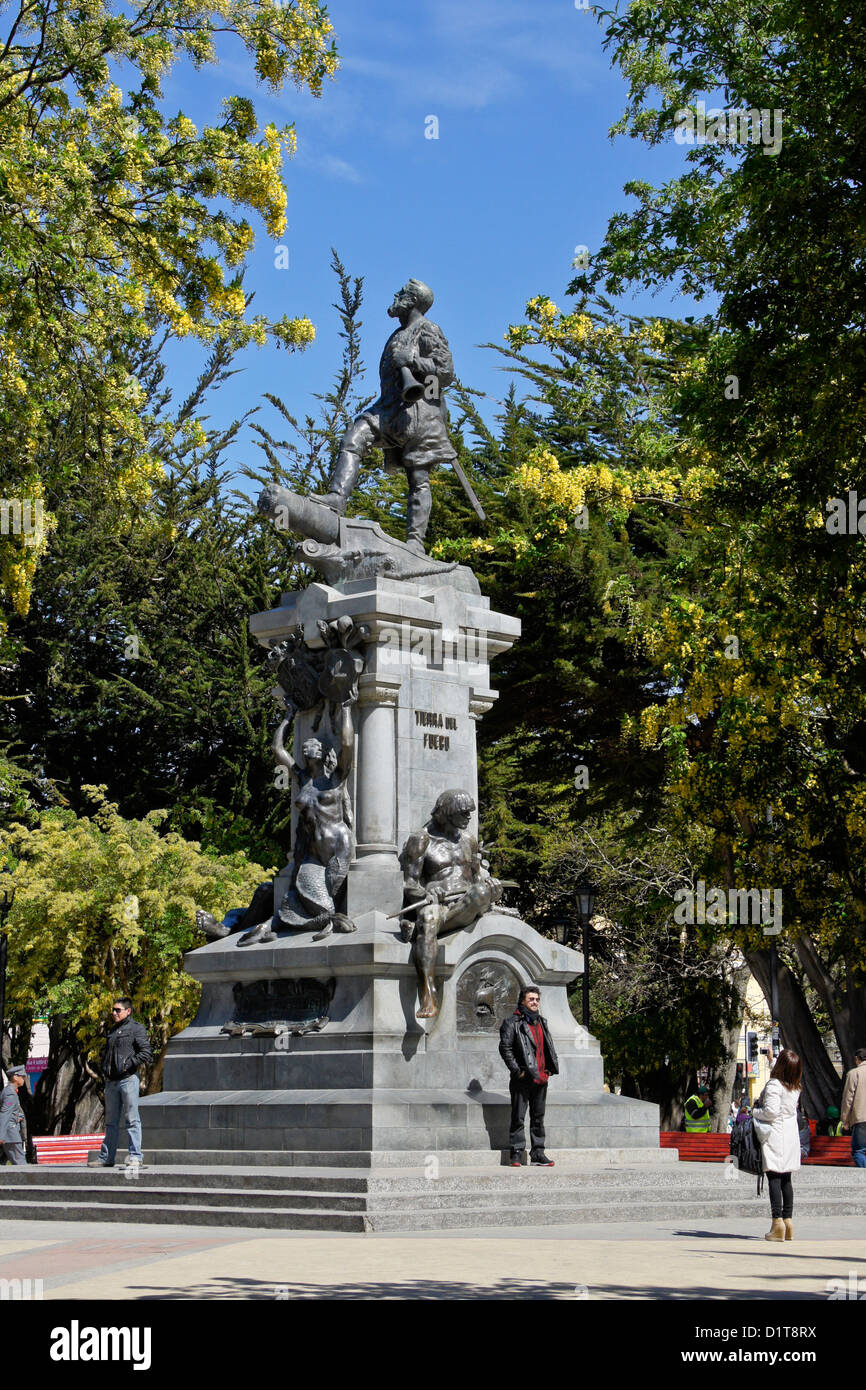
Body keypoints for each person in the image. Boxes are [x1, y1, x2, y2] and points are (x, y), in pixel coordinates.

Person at [315, 279, 458, 554]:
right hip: (391, 408)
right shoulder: (397, 334)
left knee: (419, 479)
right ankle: (336, 499)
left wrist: (412, 361)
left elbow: (445, 372)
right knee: (355, 436)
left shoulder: (428, 329)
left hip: (420, 415)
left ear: (414, 300)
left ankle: (415, 544)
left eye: (403, 292)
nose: (396, 295)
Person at [399, 789, 501, 1018]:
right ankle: (428, 994)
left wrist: (491, 887)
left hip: (467, 900)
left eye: (470, 813)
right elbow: (409, 884)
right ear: (448, 812)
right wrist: (426, 893)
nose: (469, 818)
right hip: (440, 906)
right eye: (464, 813)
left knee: (483, 891)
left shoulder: (468, 840)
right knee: (428, 918)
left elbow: (476, 878)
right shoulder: (421, 839)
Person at [498, 985, 559, 1168]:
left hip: (541, 1077)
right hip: (522, 1078)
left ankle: (538, 1153)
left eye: (537, 999)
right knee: (518, 1117)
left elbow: (546, 1047)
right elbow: (505, 1048)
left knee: (538, 1117)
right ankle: (516, 1153)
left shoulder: (542, 1022)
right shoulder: (512, 1023)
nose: (535, 1002)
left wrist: (549, 1069)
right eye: (531, 999)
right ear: (523, 1001)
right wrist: (518, 1070)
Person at [752, 1048, 802, 1241]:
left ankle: (777, 1223)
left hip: (775, 1134)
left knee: (774, 1177)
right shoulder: (794, 1086)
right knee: (786, 1179)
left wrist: (755, 1113)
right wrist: (772, 1060)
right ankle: (788, 1222)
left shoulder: (774, 1085)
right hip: (790, 1134)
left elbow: (771, 1112)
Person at [97, 998, 153, 1170]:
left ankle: (135, 1156)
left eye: (118, 1010)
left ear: (128, 1011)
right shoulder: (112, 1030)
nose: (114, 1013)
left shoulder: (136, 1028)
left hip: (128, 1079)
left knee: (132, 1119)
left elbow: (146, 1052)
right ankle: (107, 1157)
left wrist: (129, 1064)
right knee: (111, 1122)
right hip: (111, 1081)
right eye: (113, 1010)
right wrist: (105, 1069)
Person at [840, 1046, 866, 1168]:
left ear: (857, 1059)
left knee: (858, 1151)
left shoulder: (854, 1074)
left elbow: (848, 1099)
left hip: (861, 1118)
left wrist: (844, 1120)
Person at [0, 1065, 28, 1165]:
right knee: (21, 1165)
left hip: (8, 1135)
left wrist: (18, 1117)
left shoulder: (9, 1091)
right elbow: (5, 1114)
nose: (24, 1078)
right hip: (10, 1136)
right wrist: (1, 1135)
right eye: (22, 1076)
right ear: (15, 1077)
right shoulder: (10, 1093)